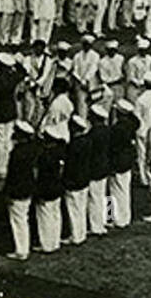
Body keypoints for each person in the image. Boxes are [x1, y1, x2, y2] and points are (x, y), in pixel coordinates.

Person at [3, 120, 39, 261]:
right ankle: (24, 247)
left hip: (18, 190)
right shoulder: (31, 150)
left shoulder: (17, 153)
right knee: (23, 219)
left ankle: (21, 250)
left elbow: (13, 175)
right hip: (28, 188)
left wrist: (7, 191)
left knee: (18, 221)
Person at [35, 124, 66, 253]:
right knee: (55, 215)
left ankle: (47, 244)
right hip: (56, 187)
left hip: (46, 188)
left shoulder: (45, 156)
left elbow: (39, 174)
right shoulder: (59, 153)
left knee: (45, 216)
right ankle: (55, 240)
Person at [108, 98, 139, 229]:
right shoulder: (132, 125)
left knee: (113, 192)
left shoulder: (117, 129)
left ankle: (112, 218)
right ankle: (125, 217)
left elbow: (113, 148)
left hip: (118, 162)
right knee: (124, 190)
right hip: (127, 161)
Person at [62, 115, 91, 245]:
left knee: (74, 209)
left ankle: (77, 235)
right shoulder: (86, 141)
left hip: (75, 180)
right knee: (82, 207)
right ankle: (83, 232)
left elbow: (70, 165)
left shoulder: (73, 146)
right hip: (85, 178)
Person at [86, 104, 112, 237]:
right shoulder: (107, 130)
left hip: (95, 167)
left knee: (95, 198)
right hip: (105, 165)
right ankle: (108, 218)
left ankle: (97, 226)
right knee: (105, 194)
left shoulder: (93, 134)